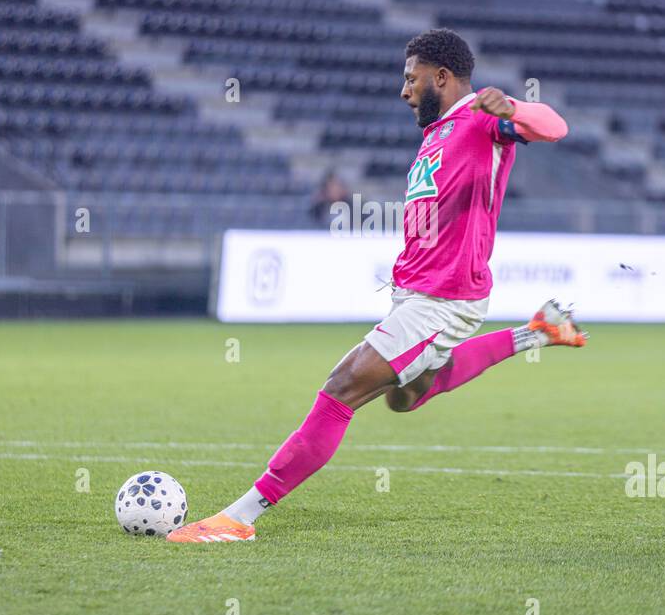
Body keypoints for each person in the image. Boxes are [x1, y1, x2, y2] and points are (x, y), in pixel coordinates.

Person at [169, 28, 586, 543]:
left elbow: (555, 126)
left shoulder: (482, 117)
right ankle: (539, 331)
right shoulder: (437, 133)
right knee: (407, 396)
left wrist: (514, 111)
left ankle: (239, 518)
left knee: (341, 388)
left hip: (442, 299)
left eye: (411, 79)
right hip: (415, 294)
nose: (404, 90)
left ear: (442, 77)